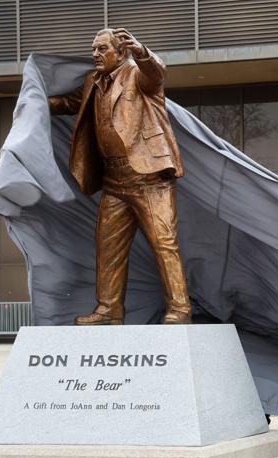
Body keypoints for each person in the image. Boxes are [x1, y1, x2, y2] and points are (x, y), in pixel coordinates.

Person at [48, 28, 192, 326]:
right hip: (114, 181)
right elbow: (71, 103)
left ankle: (180, 309)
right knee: (108, 247)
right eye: (94, 49)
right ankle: (109, 309)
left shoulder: (139, 74)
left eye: (102, 49)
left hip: (149, 177)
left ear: (121, 52)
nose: (95, 55)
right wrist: (36, 99)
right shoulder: (93, 81)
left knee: (164, 243)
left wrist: (142, 52)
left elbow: (157, 74)